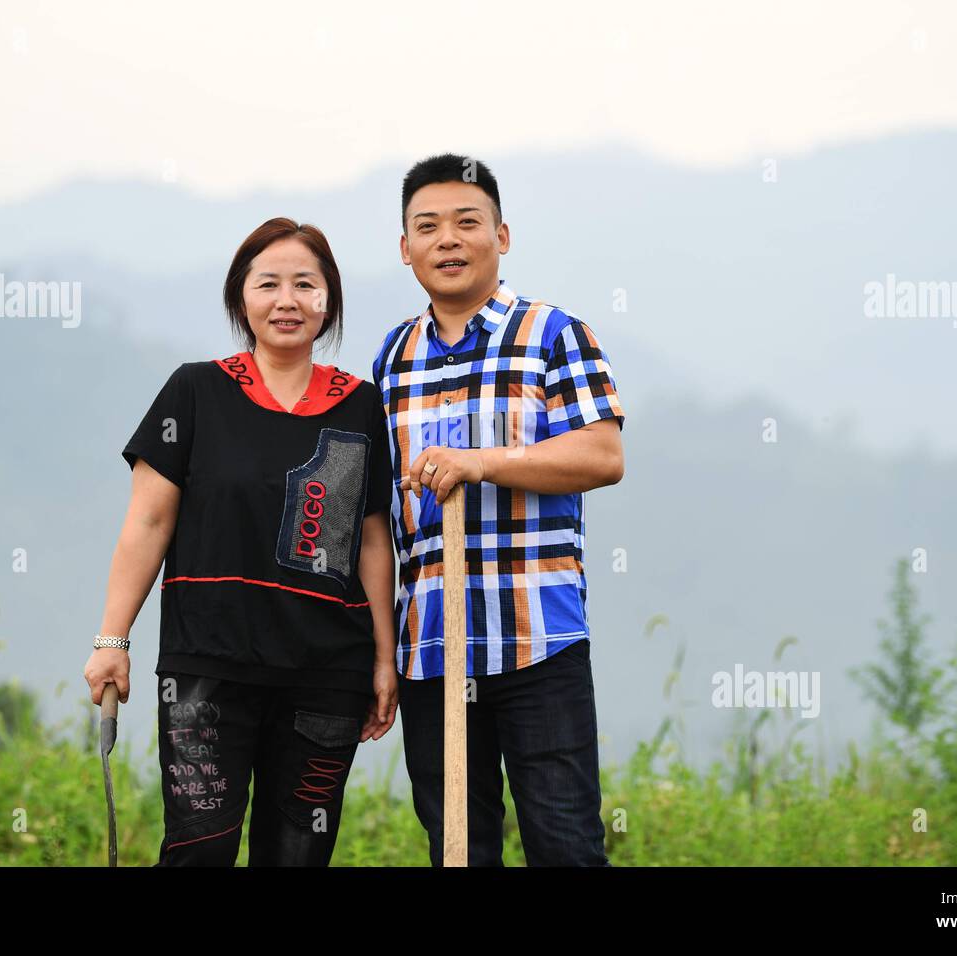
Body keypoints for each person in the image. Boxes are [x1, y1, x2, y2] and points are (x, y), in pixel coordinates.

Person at [84, 217, 398, 866]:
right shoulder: (195, 392)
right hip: (207, 671)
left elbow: (371, 539)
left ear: (329, 300)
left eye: (306, 285)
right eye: (269, 284)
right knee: (200, 852)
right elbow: (147, 522)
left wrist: (383, 659)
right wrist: (112, 641)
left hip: (325, 678)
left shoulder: (360, 407)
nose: (288, 301)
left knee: (296, 857)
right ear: (241, 298)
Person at [371, 153, 626, 866]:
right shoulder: (394, 358)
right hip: (433, 647)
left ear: (502, 236)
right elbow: (380, 516)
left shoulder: (552, 335)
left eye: (466, 222)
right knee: (458, 848)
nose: (447, 240)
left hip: (538, 639)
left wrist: (481, 462)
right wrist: (379, 649)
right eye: (427, 226)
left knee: (566, 845)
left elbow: (602, 455)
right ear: (405, 249)